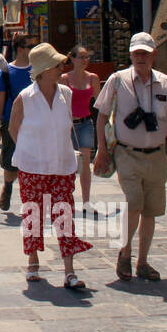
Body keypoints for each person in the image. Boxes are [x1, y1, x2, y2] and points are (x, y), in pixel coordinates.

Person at [92, 32, 167, 282]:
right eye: (136, 53)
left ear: (154, 54)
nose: (140, 58)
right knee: (134, 202)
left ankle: (143, 262)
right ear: (131, 55)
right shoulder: (117, 80)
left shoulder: (165, 83)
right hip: (127, 153)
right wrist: (101, 149)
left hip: (157, 156)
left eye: (145, 53)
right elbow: (102, 115)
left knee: (151, 210)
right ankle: (125, 252)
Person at [8, 43, 92, 289]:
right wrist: (28, 149)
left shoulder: (66, 93)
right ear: (44, 70)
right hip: (32, 167)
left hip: (62, 165)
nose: (61, 68)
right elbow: (13, 128)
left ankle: (69, 271)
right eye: (56, 65)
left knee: (64, 215)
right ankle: (33, 262)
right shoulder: (25, 97)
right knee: (33, 214)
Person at [0, 35, 35, 211]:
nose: (33, 49)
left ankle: (32, 200)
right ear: (20, 49)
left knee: (34, 163)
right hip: (12, 123)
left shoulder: (38, 71)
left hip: (35, 123)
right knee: (11, 164)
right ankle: (8, 186)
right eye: (30, 46)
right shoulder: (5, 72)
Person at [60, 44, 102, 210]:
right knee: (68, 164)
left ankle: (86, 202)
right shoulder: (64, 78)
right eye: (82, 57)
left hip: (85, 123)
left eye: (87, 57)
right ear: (73, 58)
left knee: (84, 164)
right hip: (68, 126)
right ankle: (66, 199)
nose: (85, 60)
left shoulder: (93, 78)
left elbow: (99, 103)